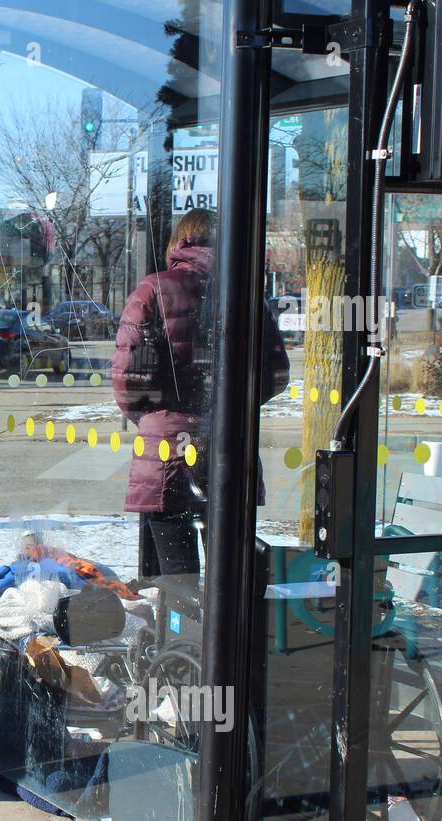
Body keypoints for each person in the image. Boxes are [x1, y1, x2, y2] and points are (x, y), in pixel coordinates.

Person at [111, 208, 289, 579]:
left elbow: (129, 378)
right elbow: (275, 372)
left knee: (178, 580)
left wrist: (149, 417)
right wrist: (232, 406)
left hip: (168, 448)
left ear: (179, 242)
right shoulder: (246, 290)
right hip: (230, 442)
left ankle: (182, 638)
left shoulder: (153, 289)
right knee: (230, 577)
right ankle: (225, 638)